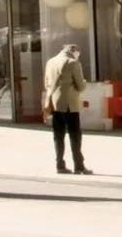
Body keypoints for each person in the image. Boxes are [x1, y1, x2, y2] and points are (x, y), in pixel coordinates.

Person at [43, 44, 92, 175]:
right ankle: (79, 165)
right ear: (73, 51)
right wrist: (85, 81)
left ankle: (60, 165)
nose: (78, 56)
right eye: (78, 53)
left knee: (58, 136)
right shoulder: (73, 63)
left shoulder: (50, 62)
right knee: (75, 135)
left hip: (55, 103)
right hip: (70, 104)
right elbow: (80, 86)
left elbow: (46, 83)